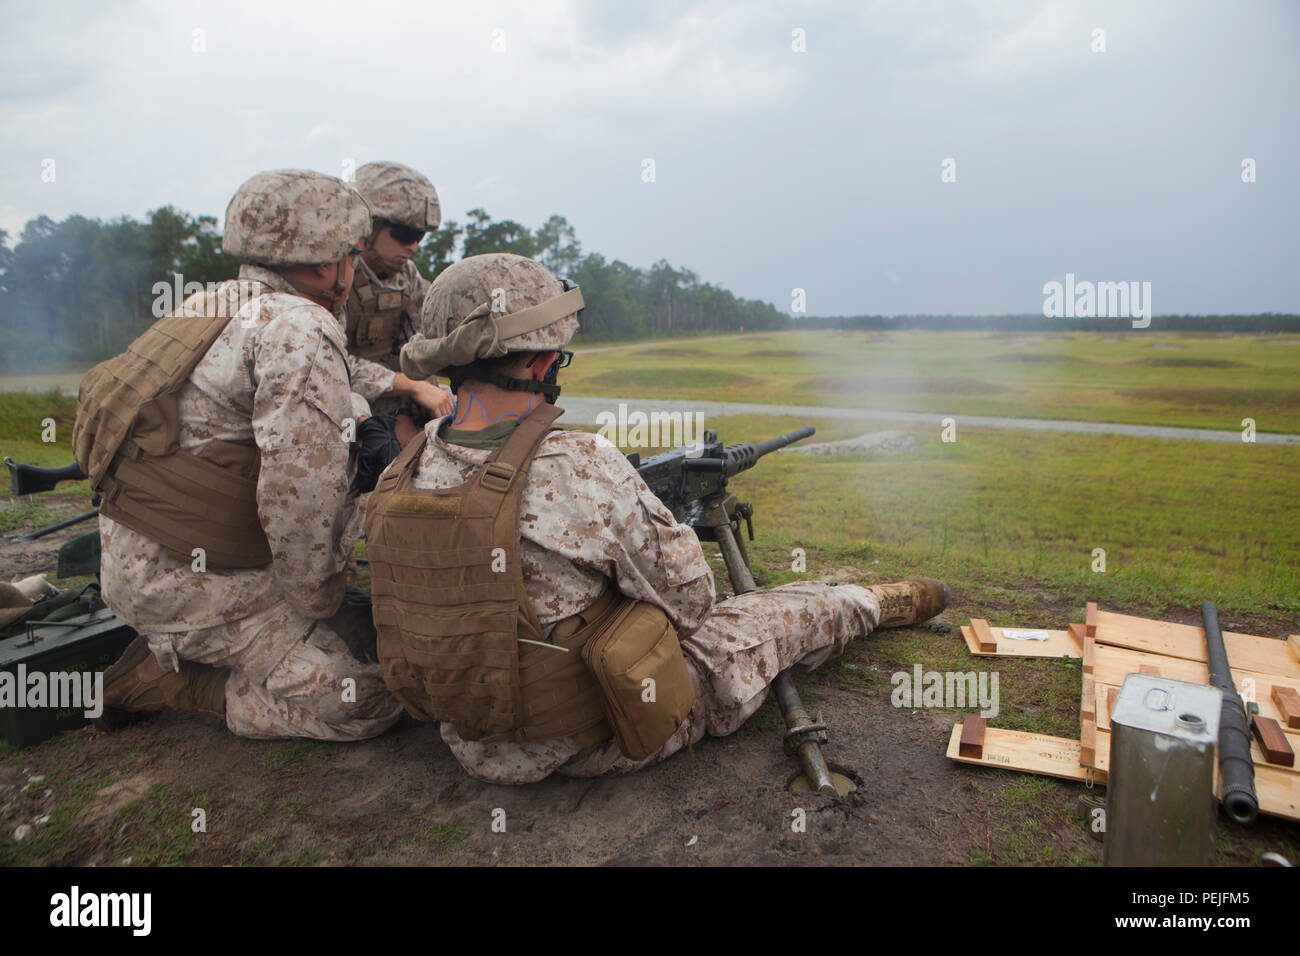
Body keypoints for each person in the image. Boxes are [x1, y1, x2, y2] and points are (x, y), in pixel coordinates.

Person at [365, 253, 949, 783]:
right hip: (593, 739)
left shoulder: (404, 466)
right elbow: (693, 602)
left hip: (470, 742)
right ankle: (873, 604)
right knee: (769, 617)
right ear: (544, 358)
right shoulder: (579, 463)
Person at [75, 169, 404, 741]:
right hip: (195, 586)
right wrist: (319, 600)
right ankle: (172, 681)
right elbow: (298, 500)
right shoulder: (299, 325)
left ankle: (187, 640)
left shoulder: (213, 304)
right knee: (366, 700)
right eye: (349, 255)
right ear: (328, 263)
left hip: (146, 559)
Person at [345, 161, 452, 445]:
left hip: (396, 397)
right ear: (367, 226)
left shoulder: (407, 277)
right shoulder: (336, 278)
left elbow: (428, 338)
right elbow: (329, 366)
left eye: (419, 237)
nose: (413, 247)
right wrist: (409, 386)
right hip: (347, 398)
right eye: (404, 235)